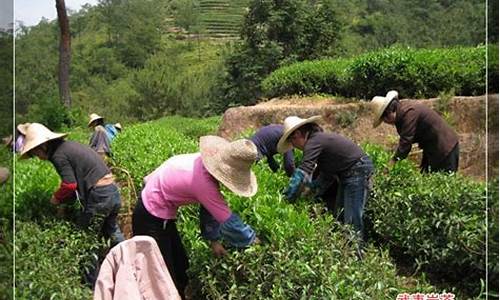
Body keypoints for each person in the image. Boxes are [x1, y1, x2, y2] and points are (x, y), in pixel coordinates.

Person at [132, 136, 259, 299]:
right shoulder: (203, 183)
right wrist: (253, 240)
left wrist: (214, 240)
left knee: (181, 264)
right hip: (151, 214)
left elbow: (209, 208)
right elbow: (228, 221)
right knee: (162, 271)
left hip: (160, 210)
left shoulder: (201, 163)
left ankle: (181, 293)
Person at [20, 123, 125, 285]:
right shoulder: (69, 146)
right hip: (112, 191)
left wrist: (56, 198)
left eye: (35, 153)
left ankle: (91, 285)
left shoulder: (58, 155)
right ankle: (130, 263)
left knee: (86, 239)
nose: (38, 157)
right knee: (112, 231)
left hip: (99, 196)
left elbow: (69, 185)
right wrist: (66, 202)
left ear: (43, 146)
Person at [277, 116, 373, 242]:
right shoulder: (319, 140)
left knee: (351, 219)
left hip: (357, 171)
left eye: (292, 142)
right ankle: (345, 250)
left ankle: (357, 254)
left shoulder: (313, 142)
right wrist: (312, 190)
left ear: (298, 134)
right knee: (340, 213)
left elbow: (302, 172)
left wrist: (288, 198)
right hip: (349, 172)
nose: (294, 146)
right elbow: (325, 175)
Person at [371, 90, 459, 173]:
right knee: (426, 178)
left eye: (384, 120)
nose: (387, 123)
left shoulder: (408, 113)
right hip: (432, 149)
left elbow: (406, 142)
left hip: (444, 148)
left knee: (444, 179)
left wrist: (392, 162)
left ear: (388, 114)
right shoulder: (403, 110)